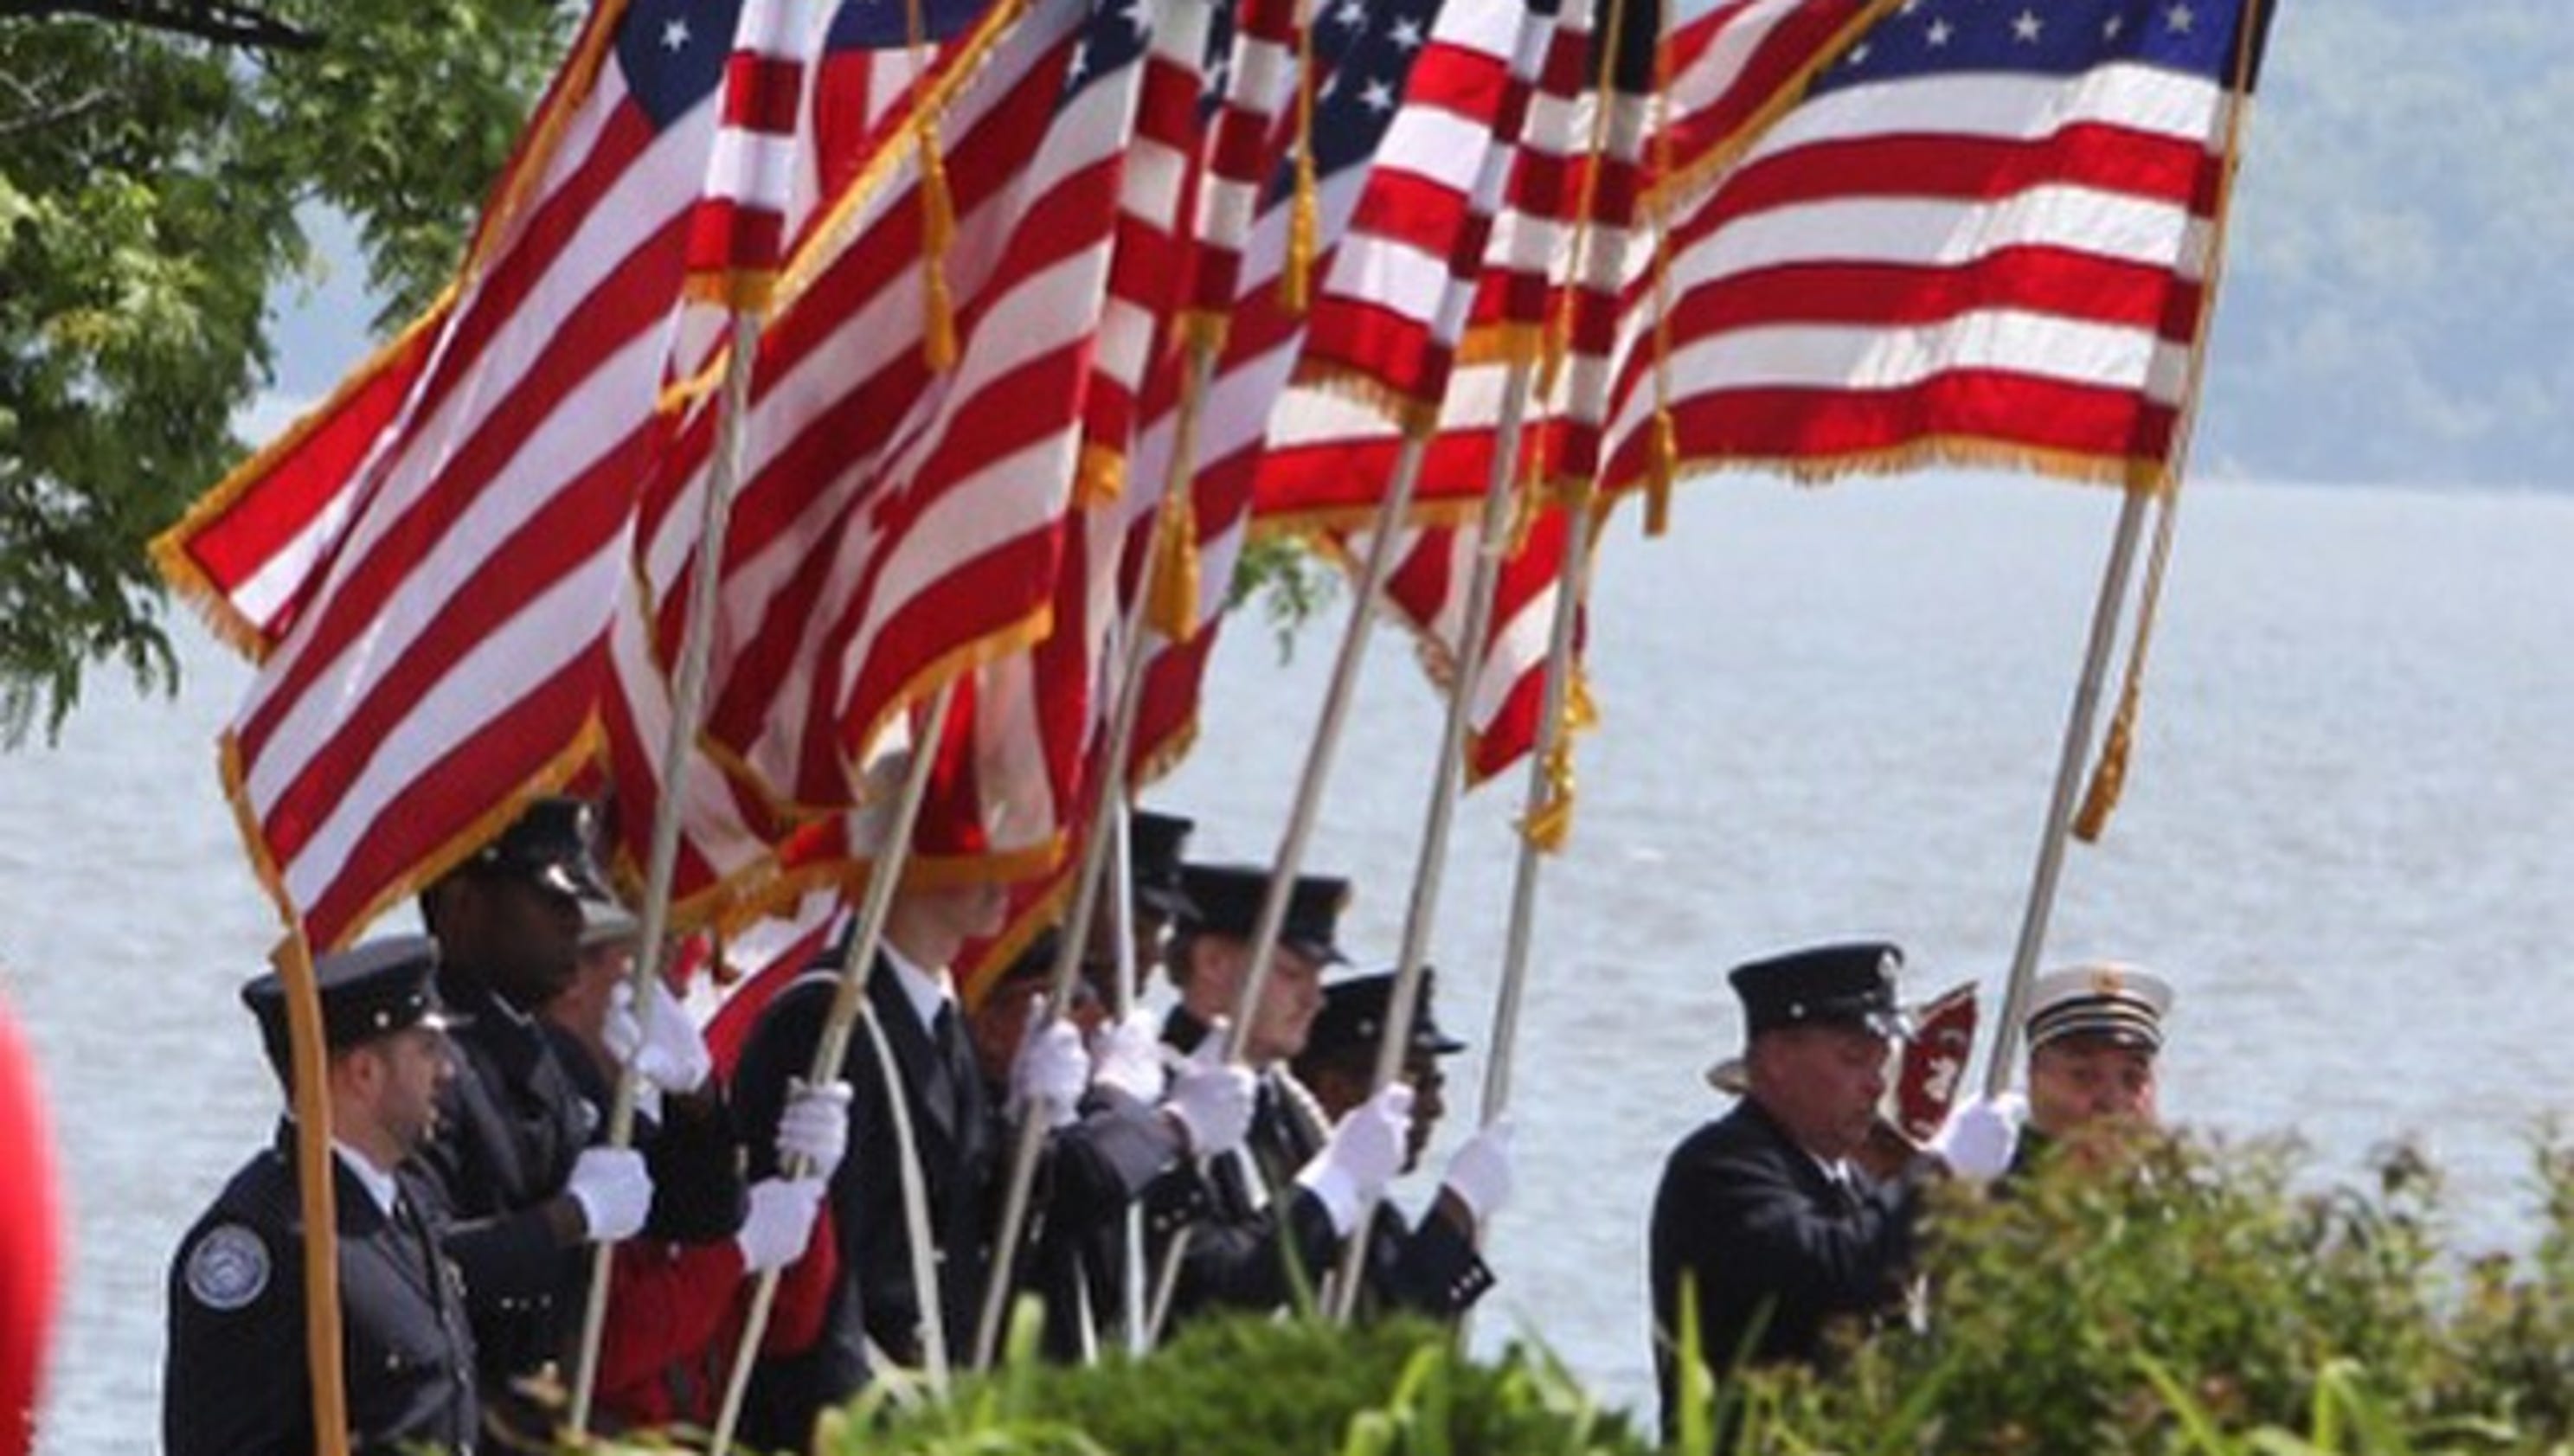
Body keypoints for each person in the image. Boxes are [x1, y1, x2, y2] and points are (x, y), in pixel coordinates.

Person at [411, 796, 670, 1450]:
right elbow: (415, 1266)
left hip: (544, 1420)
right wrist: (569, 1218)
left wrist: (698, 1106)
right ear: (463, 902)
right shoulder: (419, 1066)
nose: (575, 921)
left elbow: (690, 1214)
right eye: (549, 898)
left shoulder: (547, 1052)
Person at [724, 874, 1014, 1447]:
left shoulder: (937, 1018)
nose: (1010, 871)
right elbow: (819, 1269)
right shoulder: (827, 1018)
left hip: (922, 1397)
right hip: (841, 1410)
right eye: (982, 846)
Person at [540, 897, 846, 1432]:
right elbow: (604, 1351)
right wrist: (735, 1251)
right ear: (571, 983)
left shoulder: (669, 1128)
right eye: (649, 970)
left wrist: (806, 1194)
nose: (681, 989)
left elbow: (786, 1323)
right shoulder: (551, 1127)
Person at [164, 937, 478, 1456]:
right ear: (364, 1073)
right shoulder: (268, 1236)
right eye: (427, 1049)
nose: (447, 1071)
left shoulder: (402, 1207)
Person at [1647, 941, 1938, 1439]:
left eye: (1881, 1063)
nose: (1875, 1086)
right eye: (1854, 1060)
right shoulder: (1721, 1168)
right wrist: (1939, 1173)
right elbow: (1837, 1275)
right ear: (1778, 1059)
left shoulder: (1853, 1183)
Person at [1144, 863, 1414, 1327]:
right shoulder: (1156, 1093)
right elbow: (1207, 1289)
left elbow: (1383, 1299)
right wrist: (1335, 1186)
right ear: (1213, 963)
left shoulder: (1288, 1109)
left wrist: (1457, 1215)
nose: (1315, 1000)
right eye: (1292, 973)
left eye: (1317, 977)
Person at [964, 927, 1252, 1361]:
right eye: (1069, 999)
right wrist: (1163, 1123)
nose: (1097, 1019)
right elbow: (1057, 1193)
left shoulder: (1101, 1119)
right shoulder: (973, 1118)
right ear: (987, 1026)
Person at [1289, 968, 1509, 1318]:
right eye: (1415, 1083)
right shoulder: (1303, 1204)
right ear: (1335, 1088)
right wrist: (1454, 1214)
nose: (1436, 1109)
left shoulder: (1378, 1216)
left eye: (1436, 1085)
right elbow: (1383, 1331)